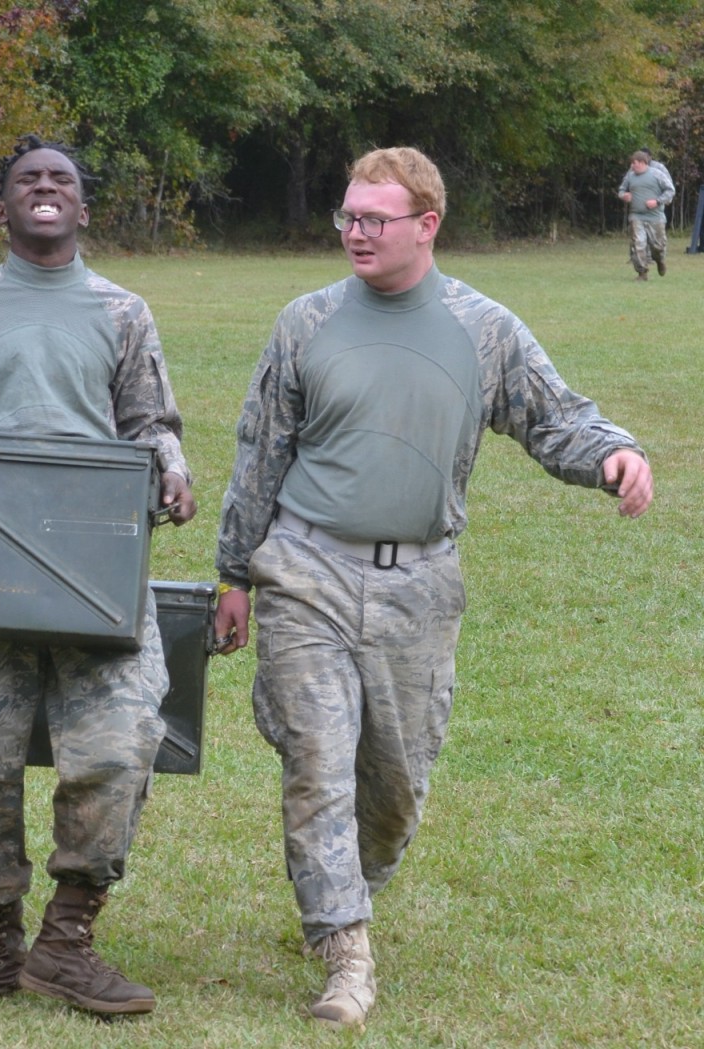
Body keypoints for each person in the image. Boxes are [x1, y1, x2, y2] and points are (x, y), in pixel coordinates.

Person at [212, 146, 653, 1030]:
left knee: (397, 785)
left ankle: (349, 881)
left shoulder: (482, 328)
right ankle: (344, 949)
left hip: (419, 582)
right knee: (317, 761)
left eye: (374, 218)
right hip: (305, 568)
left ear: (427, 224)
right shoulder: (303, 322)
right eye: (347, 216)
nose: (356, 232)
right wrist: (234, 574)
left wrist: (612, 451)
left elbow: (553, 415)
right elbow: (260, 453)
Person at [0, 134, 196, 1016]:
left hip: (95, 563)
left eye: (61, 180)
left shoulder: (122, 310)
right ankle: (0, 945)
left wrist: (171, 466)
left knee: (122, 741)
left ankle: (68, 938)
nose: (45, 189)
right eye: (27, 180)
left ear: (83, 208)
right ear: (4, 204)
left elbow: (150, 421)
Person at [618, 149, 674, 280]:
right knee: (638, 243)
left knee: (658, 246)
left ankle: (659, 260)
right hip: (636, 216)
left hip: (656, 217)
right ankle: (642, 273)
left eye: (635, 163)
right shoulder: (630, 176)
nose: (632, 166)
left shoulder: (657, 174)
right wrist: (624, 195)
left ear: (643, 162)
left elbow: (670, 190)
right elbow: (621, 190)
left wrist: (657, 201)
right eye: (631, 163)